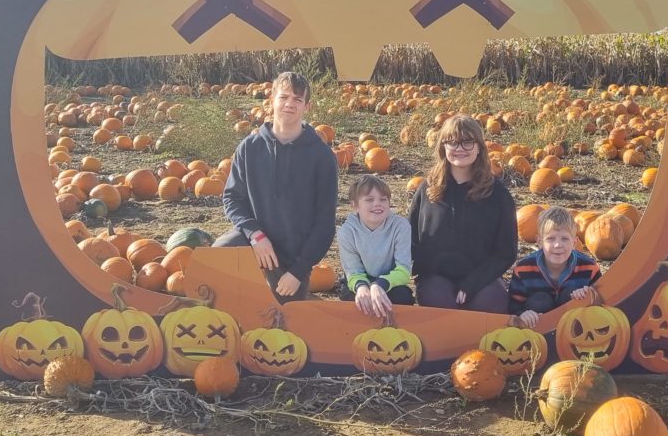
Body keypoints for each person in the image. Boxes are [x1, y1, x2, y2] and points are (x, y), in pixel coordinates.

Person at [215, 72, 338, 303]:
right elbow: (233, 198)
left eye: (297, 99)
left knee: (284, 318)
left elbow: (325, 224)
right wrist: (255, 234)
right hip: (256, 242)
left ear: (307, 106)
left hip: (292, 259)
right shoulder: (249, 148)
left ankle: (302, 298)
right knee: (219, 256)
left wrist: (299, 271)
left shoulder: (322, 157)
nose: (289, 104)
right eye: (283, 97)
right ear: (272, 100)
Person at [408, 115, 516, 312]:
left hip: (482, 277)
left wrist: (473, 283)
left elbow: (506, 252)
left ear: (479, 147)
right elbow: (410, 239)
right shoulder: (427, 189)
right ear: (443, 147)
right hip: (435, 277)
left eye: (467, 142)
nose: (459, 148)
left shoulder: (497, 194)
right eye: (452, 142)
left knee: (489, 304)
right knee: (442, 308)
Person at [507, 206, 600, 328]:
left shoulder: (589, 268)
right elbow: (513, 306)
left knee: (571, 293)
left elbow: (602, 301)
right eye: (550, 239)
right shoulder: (524, 269)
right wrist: (522, 314)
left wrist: (588, 294)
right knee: (541, 300)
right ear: (540, 242)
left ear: (574, 243)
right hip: (537, 327)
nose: (557, 245)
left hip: (575, 328)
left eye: (564, 239)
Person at [337, 174, 414, 318]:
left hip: (390, 281)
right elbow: (353, 271)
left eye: (383, 199)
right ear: (355, 206)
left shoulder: (401, 226)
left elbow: (404, 270)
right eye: (369, 200)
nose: (377, 204)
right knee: (351, 297)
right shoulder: (346, 232)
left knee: (402, 297)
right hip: (361, 279)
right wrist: (361, 287)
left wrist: (379, 285)